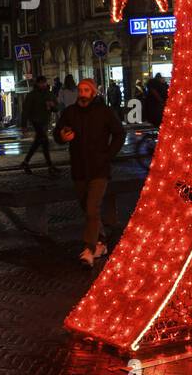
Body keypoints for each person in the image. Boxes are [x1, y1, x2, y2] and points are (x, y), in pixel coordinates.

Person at [56, 79, 126, 267]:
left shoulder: (104, 112)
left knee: (92, 208)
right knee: (85, 207)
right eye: (80, 90)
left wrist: (108, 154)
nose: (82, 94)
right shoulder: (70, 112)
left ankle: (89, 249)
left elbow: (120, 133)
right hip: (78, 169)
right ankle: (101, 242)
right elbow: (58, 132)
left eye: (86, 90)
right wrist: (62, 136)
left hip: (99, 169)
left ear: (93, 93)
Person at [21, 76, 59, 176]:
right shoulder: (32, 95)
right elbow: (25, 110)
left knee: (38, 143)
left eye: (44, 83)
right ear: (37, 84)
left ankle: (25, 162)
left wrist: (52, 106)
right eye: (41, 83)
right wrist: (24, 124)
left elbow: (56, 107)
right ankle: (50, 166)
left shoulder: (49, 94)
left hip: (45, 121)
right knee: (45, 141)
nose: (43, 85)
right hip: (36, 121)